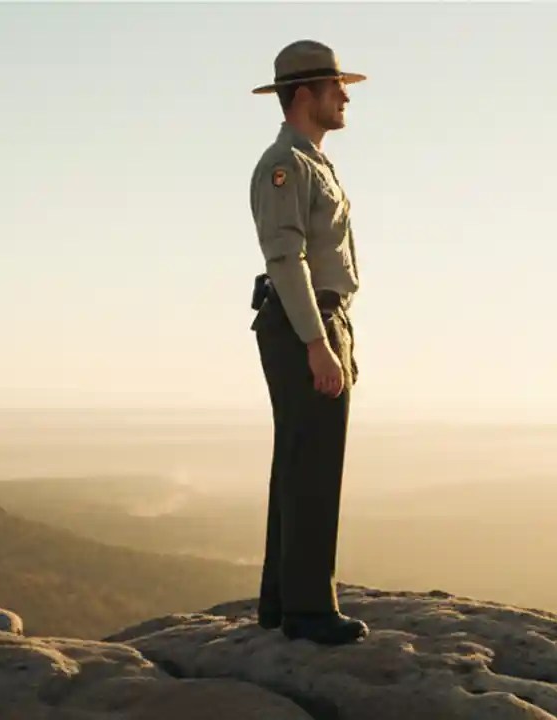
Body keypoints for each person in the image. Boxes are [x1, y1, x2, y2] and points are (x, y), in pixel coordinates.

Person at [246, 39, 368, 645]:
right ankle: (310, 612)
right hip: (304, 322)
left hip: (319, 318)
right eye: (335, 86)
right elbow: (285, 258)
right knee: (312, 464)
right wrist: (318, 343)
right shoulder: (285, 165)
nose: (345, 95)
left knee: (300, 459)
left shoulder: (312, 162)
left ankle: (281, 602)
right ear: (304, 96)